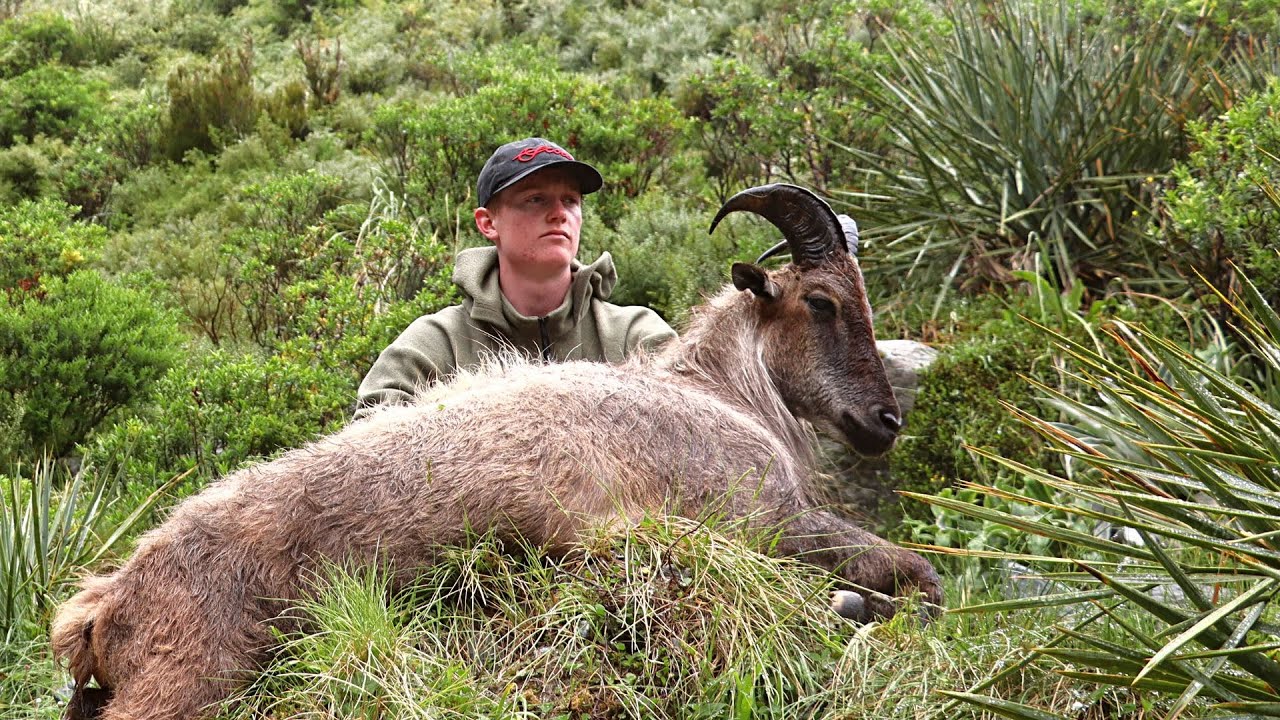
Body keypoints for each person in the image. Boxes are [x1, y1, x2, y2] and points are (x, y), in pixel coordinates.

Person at [354, 137, 677, 419]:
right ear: (488, 223)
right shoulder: (436, 343)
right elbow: (369, 453)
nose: (559, 213)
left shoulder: (636, 336)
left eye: (570, 200)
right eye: (535, 199)